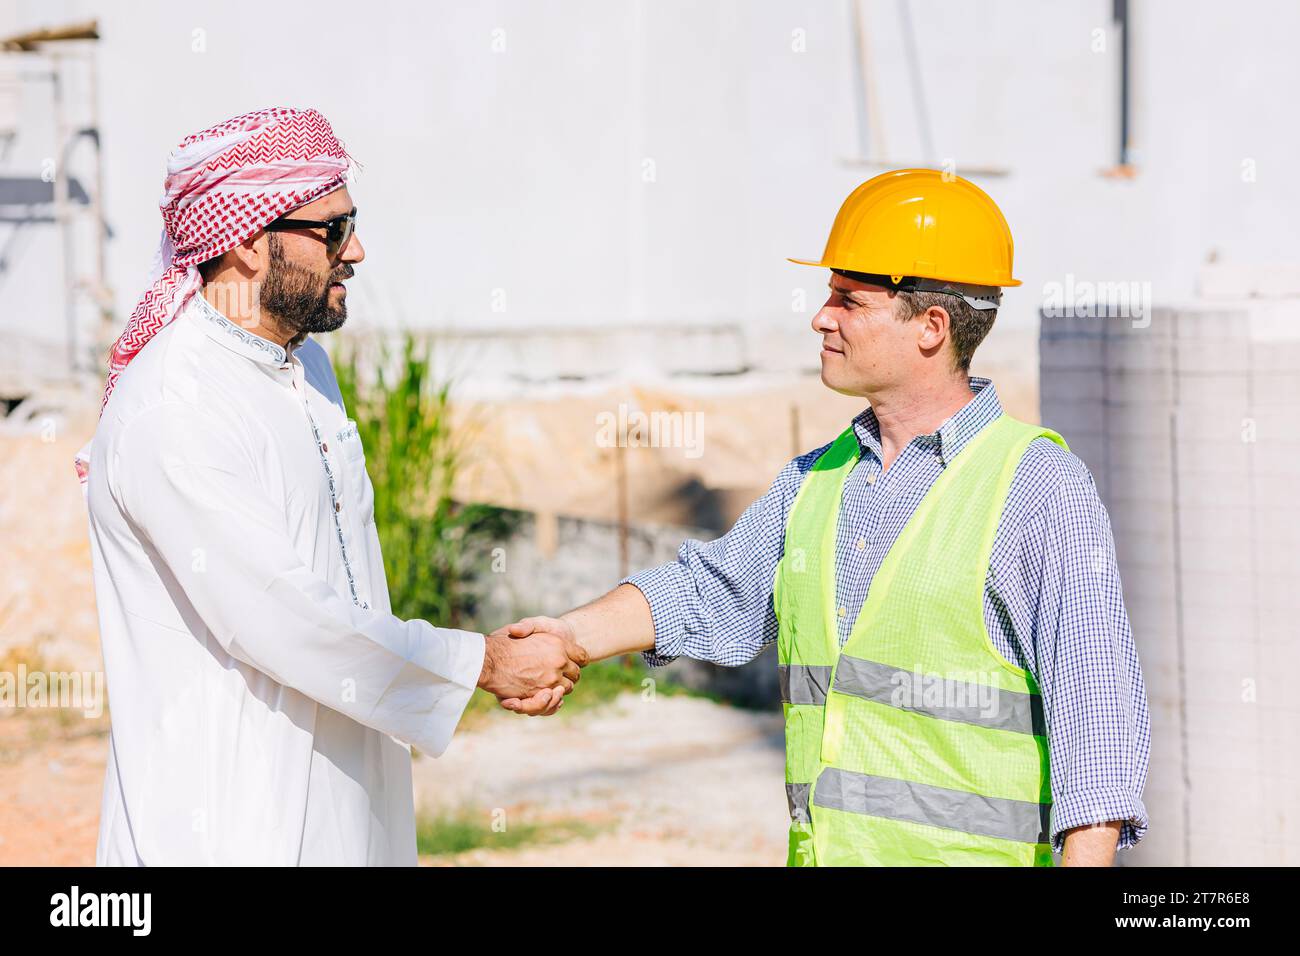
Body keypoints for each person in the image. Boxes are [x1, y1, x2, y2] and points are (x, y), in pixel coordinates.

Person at [498, 169, 1151, 867]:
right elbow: (708, 589)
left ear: (932, 326)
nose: (820, 317)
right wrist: (567, 636)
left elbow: (1098, 728)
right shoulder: (815, 480)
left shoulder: (1038, 487)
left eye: (849, 299)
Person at [80, 107, 585, 866]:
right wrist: (479, 662)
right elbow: (282, 615)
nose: (357, 250)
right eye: (334, 228)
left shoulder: (300, 364)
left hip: (345, 802)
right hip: (228, 820)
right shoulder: (175, 408)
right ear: (249, 240)